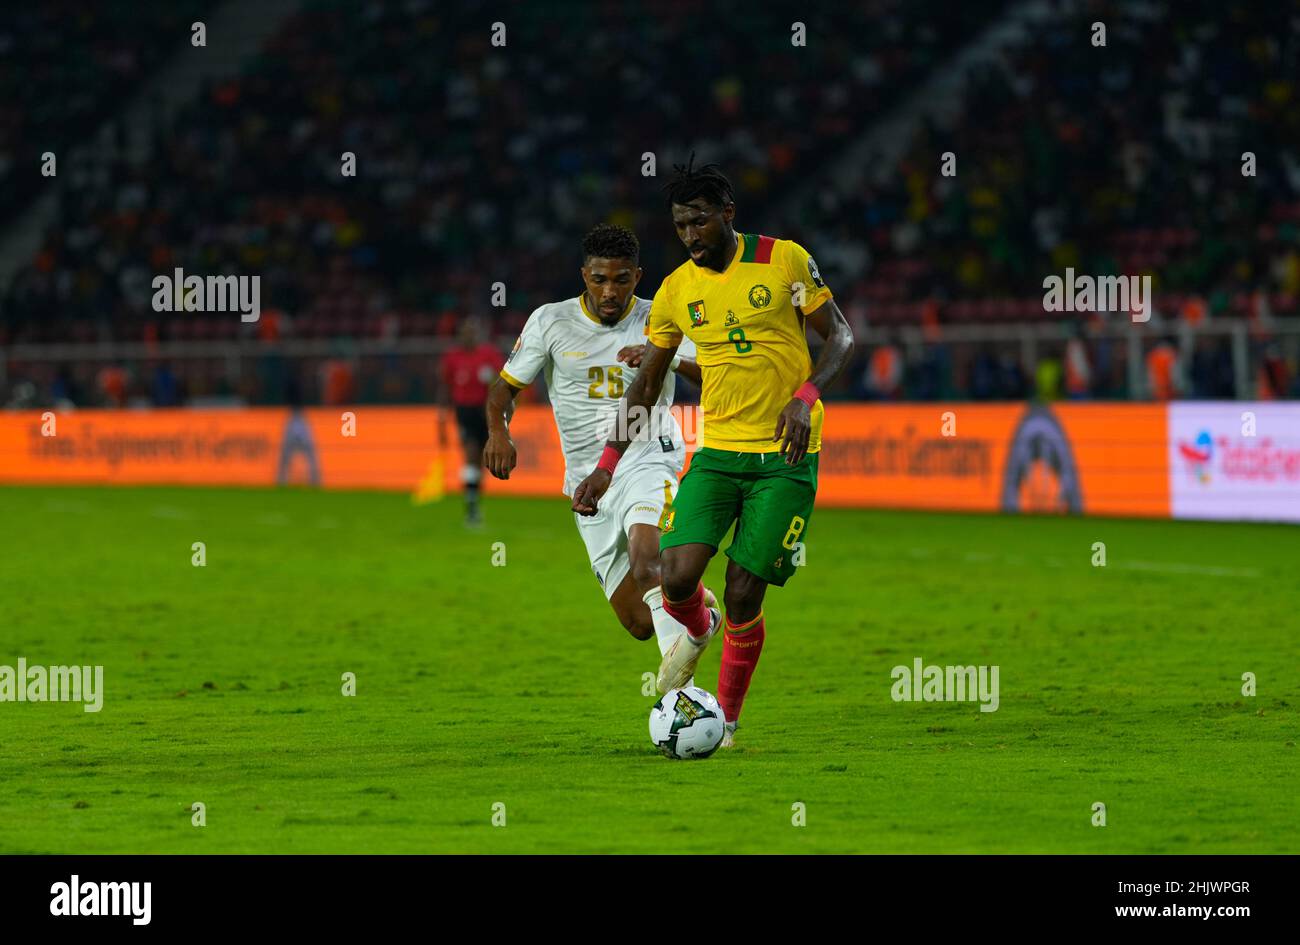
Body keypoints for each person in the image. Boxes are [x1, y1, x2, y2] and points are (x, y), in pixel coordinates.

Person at [571, 160, 855, 747]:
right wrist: (605, 467)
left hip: (784, 457)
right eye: (680, 226)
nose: (691, 235)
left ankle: (723, 720)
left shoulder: (785, 260)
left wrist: (805, 396)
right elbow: (645, 385)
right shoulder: (677, 290)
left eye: (700, 222)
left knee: (745, 589)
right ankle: (699, 630)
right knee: (674, 578)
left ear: (727, 214)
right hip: (718, 454)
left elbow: (842, 336)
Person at [483, 223, 712, 668]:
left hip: (647, 455)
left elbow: (714, 371)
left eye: (621, 280)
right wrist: (498, 432)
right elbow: (501, 390)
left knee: (649, 565)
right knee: (640, 622)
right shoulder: (550, 321)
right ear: (583, 275)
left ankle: (682, 699)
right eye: (600, 279)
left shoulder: (660, 316)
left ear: (638, 277)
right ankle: (700, 610)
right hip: (586, 481)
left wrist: (667, 357)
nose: (610, 291)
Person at [442, 318, 503, 526]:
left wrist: (493, 380)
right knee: (470, 453)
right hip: (464, 412)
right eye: (465, 332)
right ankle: (471, 509)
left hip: (485, 412)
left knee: (480, 462)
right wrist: (442, 416)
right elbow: (445, 387)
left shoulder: (488, 354)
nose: (468, 336)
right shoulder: (453, 357)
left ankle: (474, 503)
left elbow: (502, 379)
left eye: (472, 332)